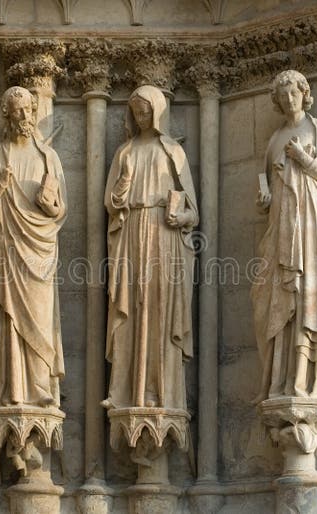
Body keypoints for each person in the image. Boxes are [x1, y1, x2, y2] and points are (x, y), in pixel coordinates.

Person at [101, 85, 198, 411]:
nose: (140, 117)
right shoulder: (124, 153)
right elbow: (111, 203)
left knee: (159, 311)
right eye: (136, 112)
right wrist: (124, 186)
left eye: (145, 111)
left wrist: (180, 215)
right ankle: (126, 389)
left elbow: (193, 212)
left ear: (157, 112)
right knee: (131, 308)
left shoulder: (172, 151)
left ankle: (162, 391)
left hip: (164, 237)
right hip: (132, 236)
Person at [0, 86, 67, 408]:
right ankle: (10, 388)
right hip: (5, 249)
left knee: (40, 319)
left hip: (39, 251)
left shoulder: (48, 157)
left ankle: (40, 388)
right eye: (18, 110)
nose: (25, 116)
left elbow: (60, 209)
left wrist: (50, 206)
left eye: (29, 109)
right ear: (7, 115)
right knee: (6, 318)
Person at [251, 70, 317, 402]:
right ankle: (279, 379)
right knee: (274, 298)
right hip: (281, 227)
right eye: (283, 95)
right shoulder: (274, 140)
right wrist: (266, 199)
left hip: (311, 228)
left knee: (306, 299)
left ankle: (304, 380)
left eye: (294, 93)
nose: (289, 100)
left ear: (304, 93)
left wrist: (302, 157)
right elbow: (269, 185)